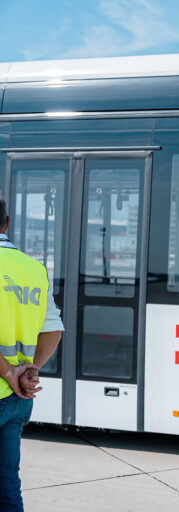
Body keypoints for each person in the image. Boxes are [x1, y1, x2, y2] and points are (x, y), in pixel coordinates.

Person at [0, 191, 63, 512]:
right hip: (17, 400)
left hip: (9, 384)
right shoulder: (34, 268)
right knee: (8, 488)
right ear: (7, 223)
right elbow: (53, 329)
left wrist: (10, 372)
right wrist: (30, 370)